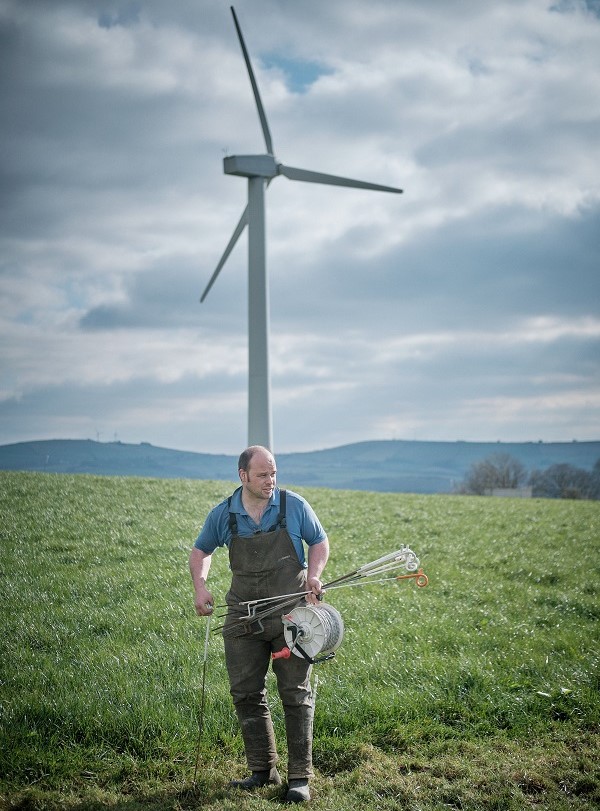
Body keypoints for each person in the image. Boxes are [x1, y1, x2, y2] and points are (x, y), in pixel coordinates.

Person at [189, 445, 329, 804]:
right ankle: (263, 770)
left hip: (292, 615)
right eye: (263, 475)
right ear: (243, 476)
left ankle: (299, 777)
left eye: (274, 473)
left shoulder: (294, 505)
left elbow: (319, 541)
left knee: (295, 693)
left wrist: (314, 576)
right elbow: (201, 550)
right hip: (243, 615)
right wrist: (201, 587)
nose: (271, 481)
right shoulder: (224, 514)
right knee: (246, 692)